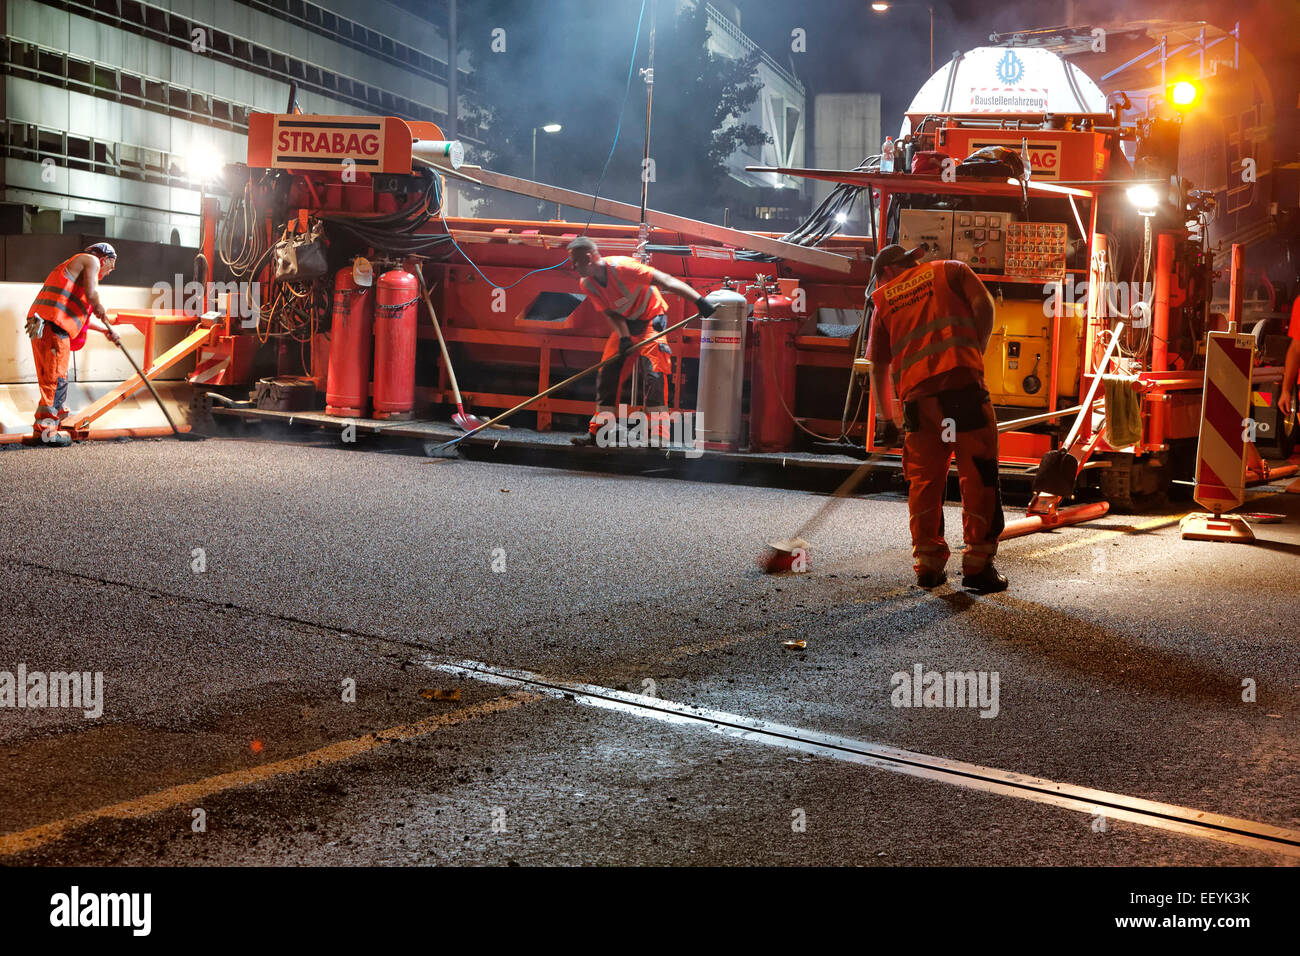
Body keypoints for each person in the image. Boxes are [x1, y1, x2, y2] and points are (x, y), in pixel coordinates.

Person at [866, 244, 1007, 593]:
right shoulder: (950, 270)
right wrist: (976, 349)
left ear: (884, 274)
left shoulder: (882, 300)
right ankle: (977, 567)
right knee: (978, 474)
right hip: (964, 390)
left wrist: (887, 417)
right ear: (910, 263)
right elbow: (984, 304)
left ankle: (928, 567)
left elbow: (877, 366)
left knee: (924, 482)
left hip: (919, 401)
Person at [565, 237, 713, 446]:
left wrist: (699, 301)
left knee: (654, 372)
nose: (573, 267)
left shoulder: (624, 268)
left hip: (651, 318)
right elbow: (612, 314)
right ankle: (601, 433)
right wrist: (624, 337)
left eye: (576, 262)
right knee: (608, 371)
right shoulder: (588, 284)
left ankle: (657, 436)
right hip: (626, 322)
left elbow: (666, 281)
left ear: (588, 258)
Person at [25, 243, 122, 446]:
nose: (112, 270)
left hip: (41, 324)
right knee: (55, 381)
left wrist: (105, 329)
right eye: (112, 264)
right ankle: (47, 433)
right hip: (54, 325)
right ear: (104, 258)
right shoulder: (91, 261)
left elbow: (82, 315)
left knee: (50, 379)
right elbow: (92, 294)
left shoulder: (73, 271)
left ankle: (49, 427)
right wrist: (99, 307)